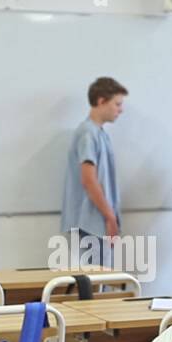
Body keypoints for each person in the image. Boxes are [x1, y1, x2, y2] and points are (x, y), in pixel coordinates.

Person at [60, 77, 127, 267]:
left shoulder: (99, 133)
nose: (120, 109)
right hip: (92, 222)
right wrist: (110, 216)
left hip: (99, 220)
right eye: (117, 104)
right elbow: (88, 180)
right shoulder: (88, 133)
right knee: (98, 281)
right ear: (101, 101)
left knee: (103, 277)